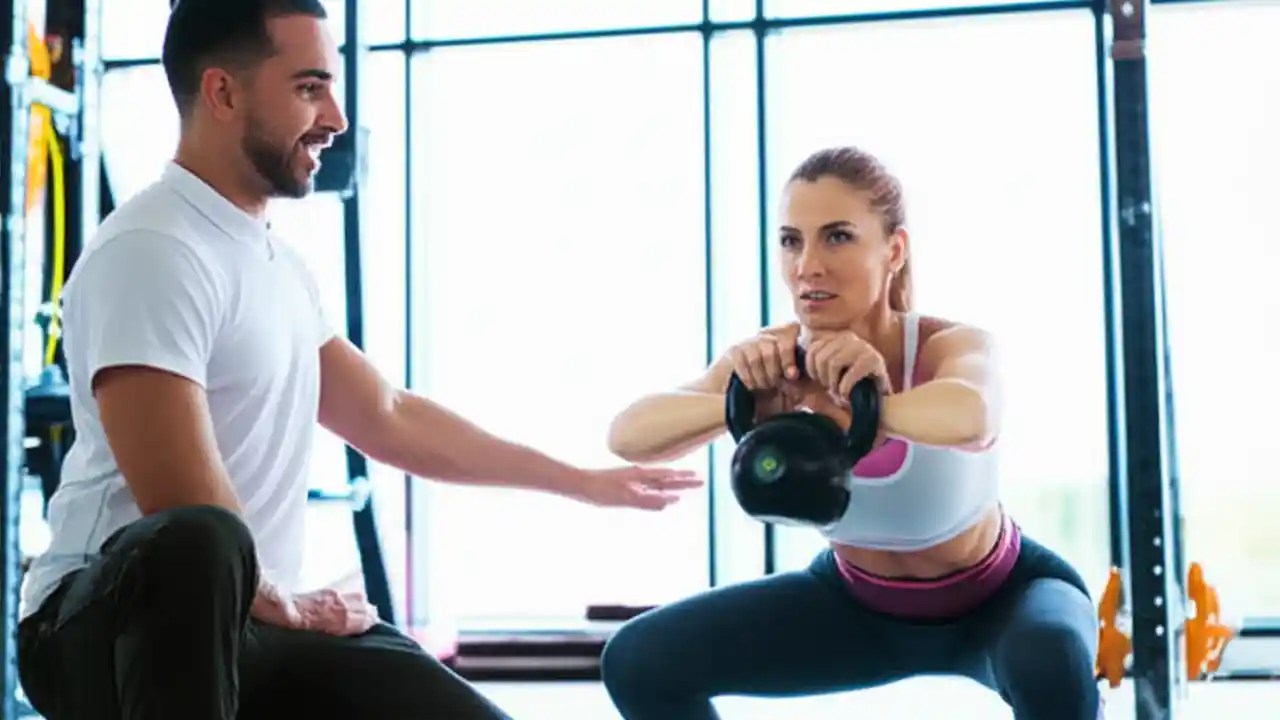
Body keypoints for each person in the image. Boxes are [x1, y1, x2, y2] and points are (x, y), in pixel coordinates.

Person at [15, 2, 700, 719]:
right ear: (222, 93)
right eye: (309, 87)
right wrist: (288, 603)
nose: (336, 117)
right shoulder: (152, 251)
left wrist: (580, 482)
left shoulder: (273, 265)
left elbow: (388, 415)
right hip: (96, 631)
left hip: (250, 624)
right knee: (201, 541)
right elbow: (185, 508)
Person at [601, 146, 1101, 720]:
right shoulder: (776, 360)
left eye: (837, 236)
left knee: (1052, 659)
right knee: (638, 661)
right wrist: (736, 400)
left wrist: (861, 401)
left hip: (1001, 600)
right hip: (855, 609)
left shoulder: (948, 345)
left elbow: (970, 417)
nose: (807, 265)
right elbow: (628, 435)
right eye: (791, 240)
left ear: (894, 249)